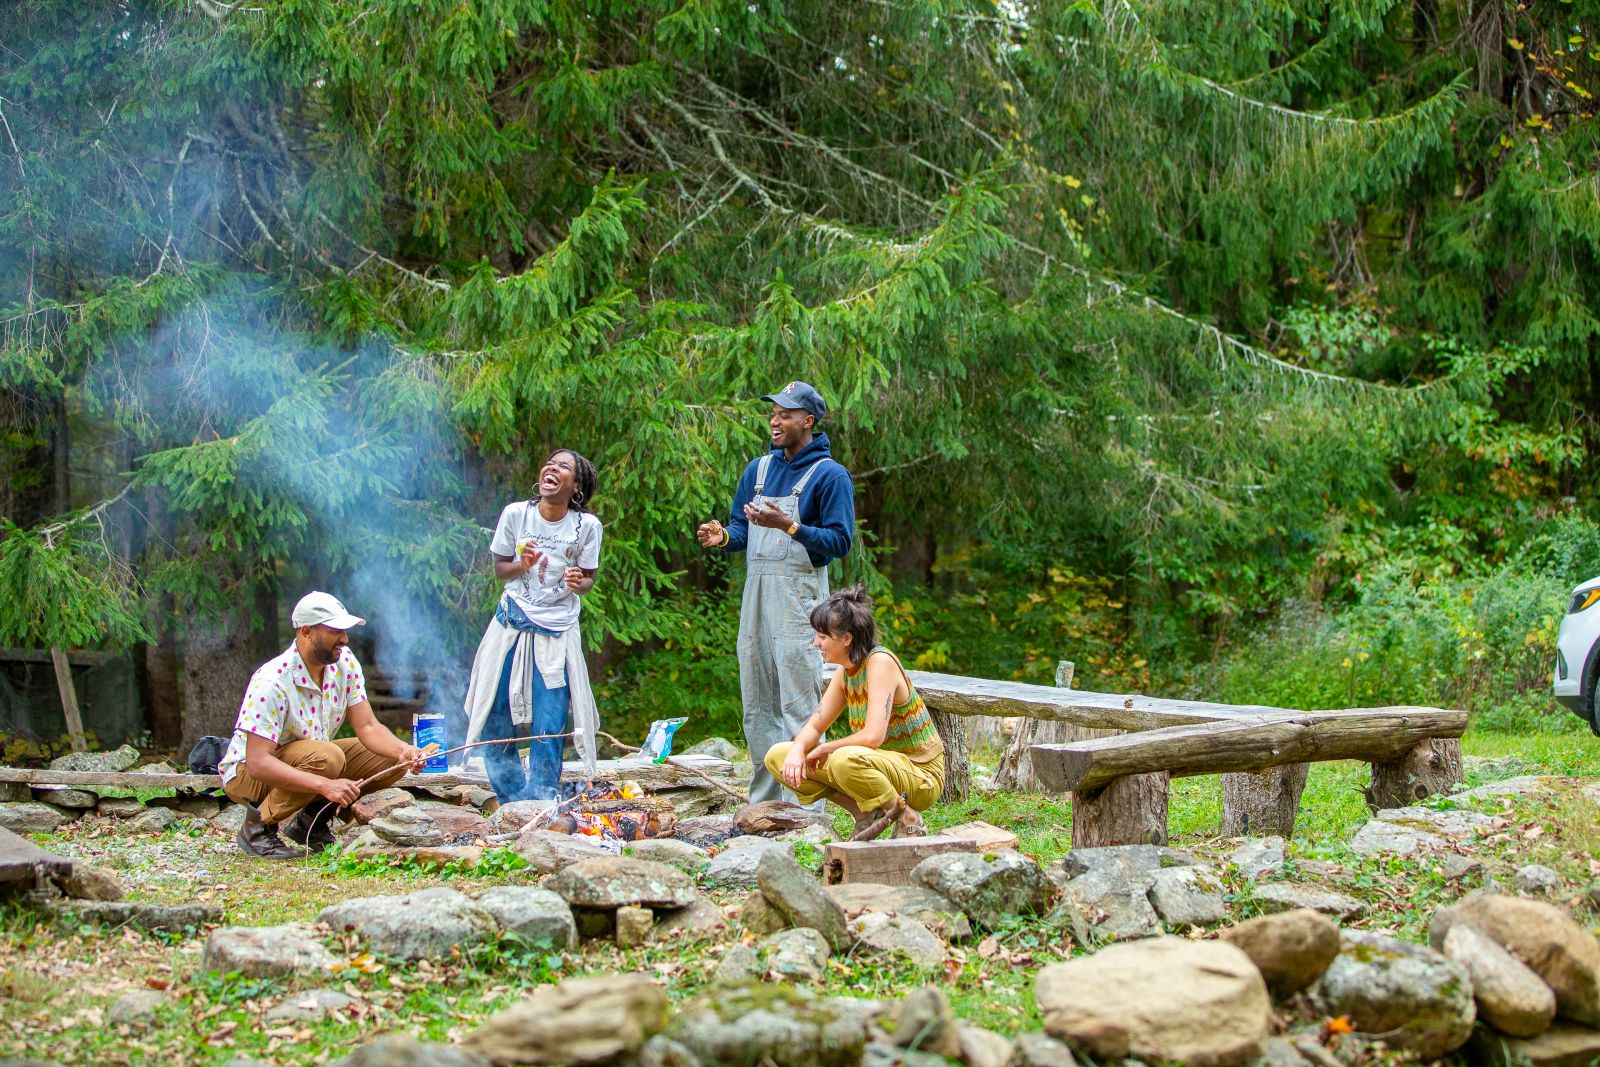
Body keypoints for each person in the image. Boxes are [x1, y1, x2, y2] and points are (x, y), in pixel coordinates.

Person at [697, 381, 855, 805]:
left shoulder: (829, 475)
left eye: (785, 414)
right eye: (773, 413)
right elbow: (739, 530)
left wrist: (787, 525)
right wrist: (721, 538)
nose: (775, 420)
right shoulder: (759, 470)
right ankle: (764, 806)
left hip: (801, 603)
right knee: (758, 702)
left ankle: (807, 808)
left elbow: (840, 542)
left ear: (808, 420)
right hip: (757, 598)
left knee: (799, 705)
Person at [221, 592, 427, 859]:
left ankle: (311, 822)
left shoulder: (345, 662)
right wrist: (323, 785)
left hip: (311, 759)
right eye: (335, 631)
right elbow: (258, 761)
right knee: (327, 757)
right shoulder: (272, 681)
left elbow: (366, 726)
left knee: (388, 758)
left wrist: (403, 751)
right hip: (248, 774)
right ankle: (257, 827)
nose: (344, 638)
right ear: (306, 631)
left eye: (344, 630)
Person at [462, 449, 602, 805]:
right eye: (550, 463)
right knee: (494, 711)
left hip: (557, 632)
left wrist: (576, 581)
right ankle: (511, 801)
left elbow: (588, 580)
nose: (552, 469)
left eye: (563, 467)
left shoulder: (587, 526)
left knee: (550, 720)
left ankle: (540, 801)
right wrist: (522, 565)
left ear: (576, 487)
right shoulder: (516, 514)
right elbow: (499, 569)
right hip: (511, 623)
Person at [764, 586, 944, 838]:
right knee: (778, 756)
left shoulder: (880, 662)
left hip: (920, 775)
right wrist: (797, 750)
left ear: (846, 638)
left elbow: (873, 737)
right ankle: (865, 815)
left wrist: (826, 748)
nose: (816, 643)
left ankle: (907, 816)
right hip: (876, 766)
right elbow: (816, 725)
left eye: (822, 637)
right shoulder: (846, 672)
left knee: (842, 758)